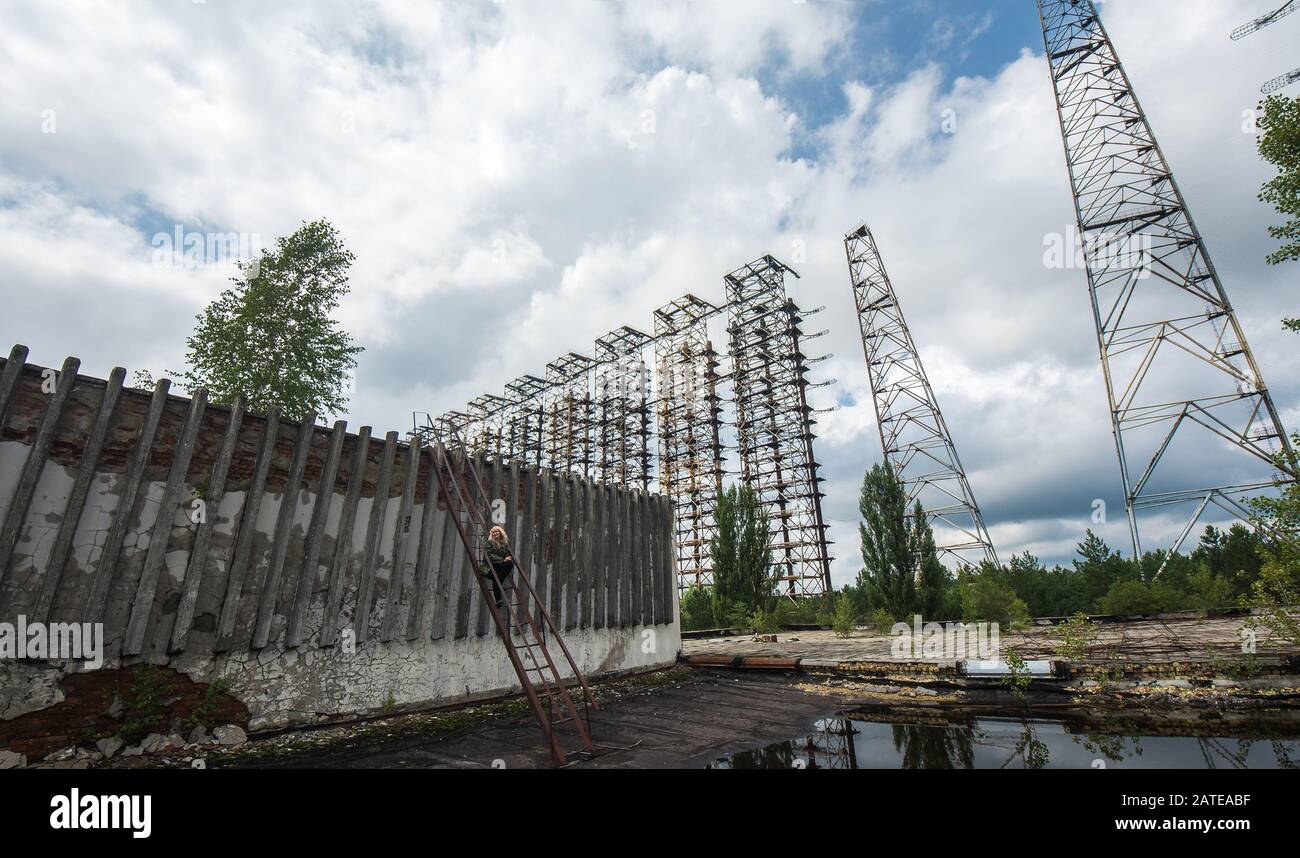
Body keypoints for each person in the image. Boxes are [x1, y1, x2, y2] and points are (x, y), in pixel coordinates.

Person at [483, 526, 515, 610]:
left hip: (498, 567)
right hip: (488, 568)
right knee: (497, 577)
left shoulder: (504, 545)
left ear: (500, 533)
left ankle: (498, 601)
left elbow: (508, 556)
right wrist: (502, 560)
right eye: (493, 532)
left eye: (497, 531)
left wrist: (506, 559)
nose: (495, 533)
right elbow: (489, 556)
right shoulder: (489, 544)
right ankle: (498, 599)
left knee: (510, 564)